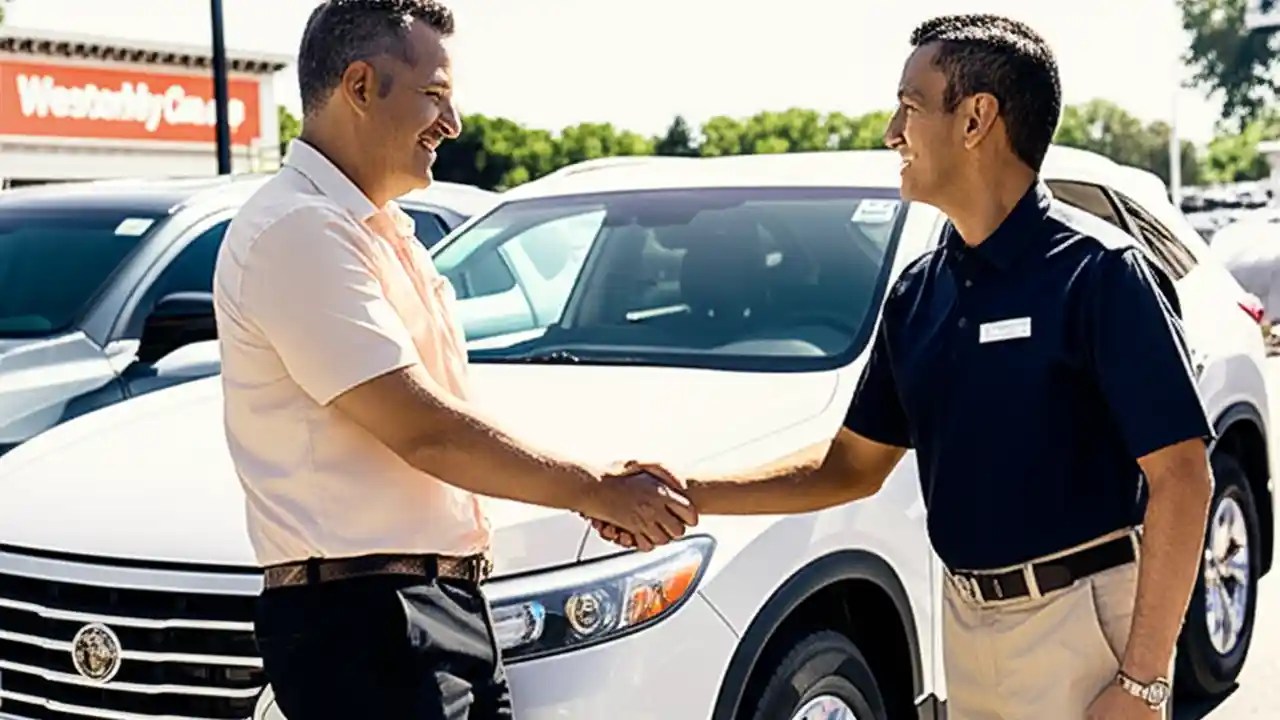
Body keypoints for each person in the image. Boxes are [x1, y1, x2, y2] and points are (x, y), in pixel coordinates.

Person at [597, 14, 1212, 720]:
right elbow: (849, 467)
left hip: (1085, 626)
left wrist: (1142, 679)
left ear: (977, 118)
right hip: (964, 621)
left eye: (910, 106)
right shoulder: (921, 292)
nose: (893, 131)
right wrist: (683, 494)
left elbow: (1182, 478)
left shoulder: (1100, 275)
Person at [212, 1, 696, 718]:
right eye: (434, 96)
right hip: (365, 625)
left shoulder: (378, 232)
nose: (454, 123)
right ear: (359, 85)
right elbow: (425, 430)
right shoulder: (297, 231)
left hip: (426, 611)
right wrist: (595, 490)